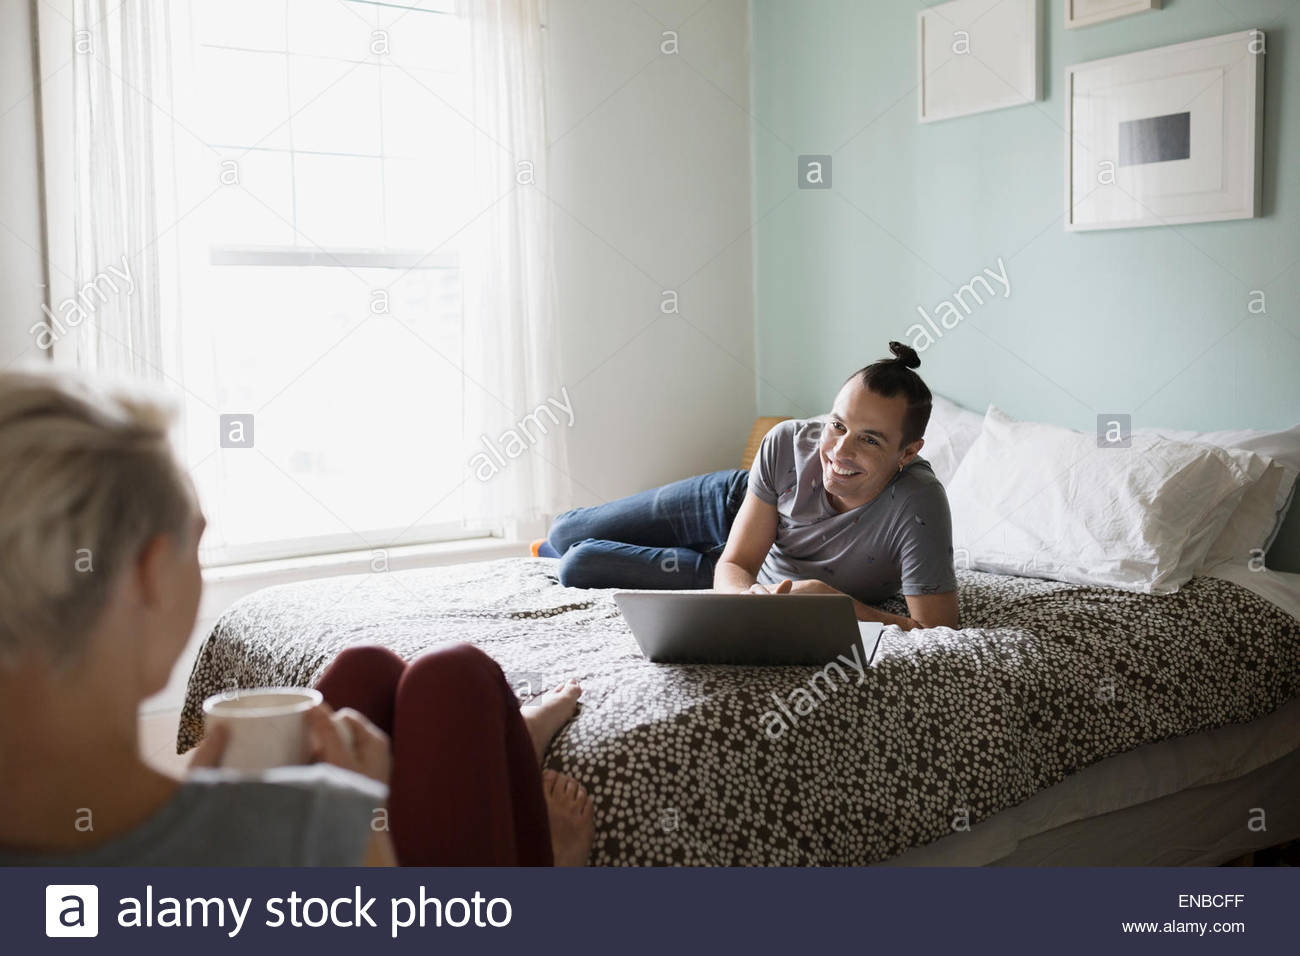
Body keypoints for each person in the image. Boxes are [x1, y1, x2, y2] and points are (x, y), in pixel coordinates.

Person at [0, 367, 594, 867]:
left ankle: (505, 744)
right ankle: (527, 819)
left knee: (365, 670)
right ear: (149, 577)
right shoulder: (306, 833)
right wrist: (357, 832)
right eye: (195, 544)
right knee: (455, 678)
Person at [537, 342, 960, 631]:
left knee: (578, 565)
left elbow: (939, 633)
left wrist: (845, 611)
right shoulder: (787, 442)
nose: (838, 451)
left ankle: (576, 554)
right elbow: (738, 559)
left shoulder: (918, 504)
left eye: (870, 439)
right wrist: (742, 588)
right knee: (563, 533)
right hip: (733, 506)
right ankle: (548, 544)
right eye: (837, 425)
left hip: (762, 577)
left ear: (908, 452)